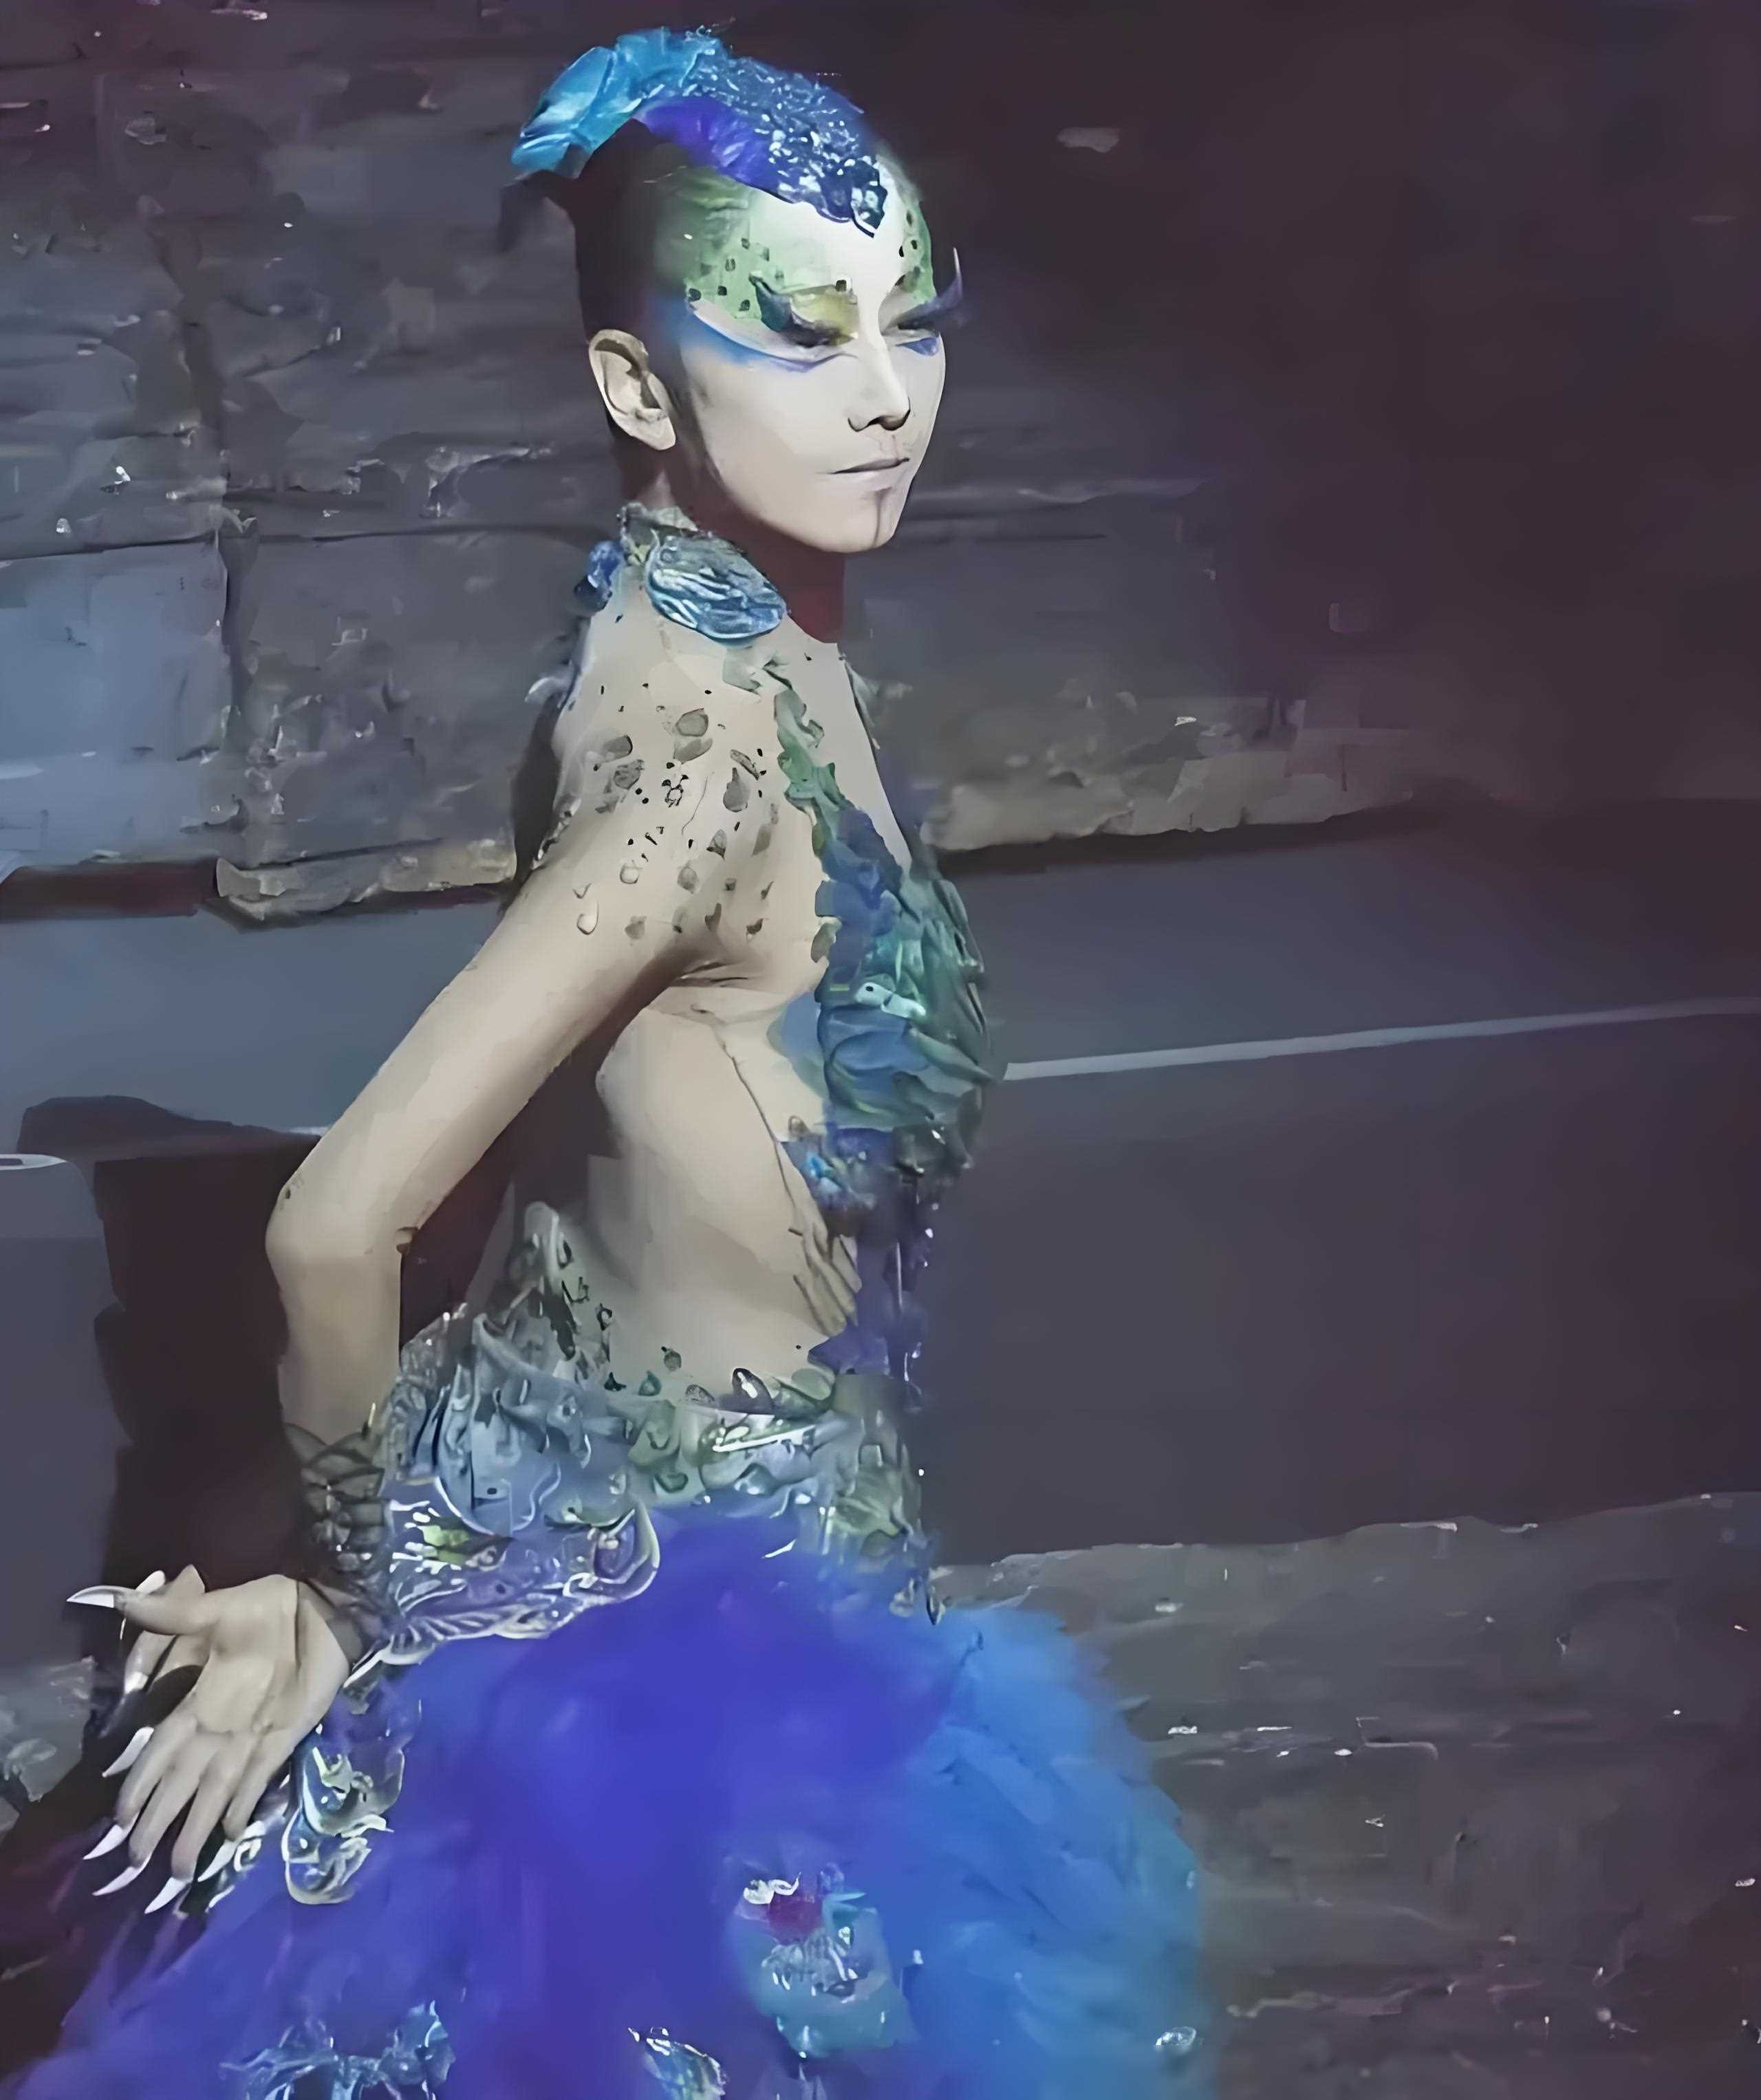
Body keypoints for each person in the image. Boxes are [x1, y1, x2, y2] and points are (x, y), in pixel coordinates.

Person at [0, 32, 1204, 2097]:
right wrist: (366, 1606)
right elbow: (330, 1227)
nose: (890, 394)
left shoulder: (715, 622)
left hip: (724, 1515)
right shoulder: (696, 763)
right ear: (642, 390)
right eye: (804, 336)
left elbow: (583, 1105)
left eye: (914, 323)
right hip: (664, 1619)